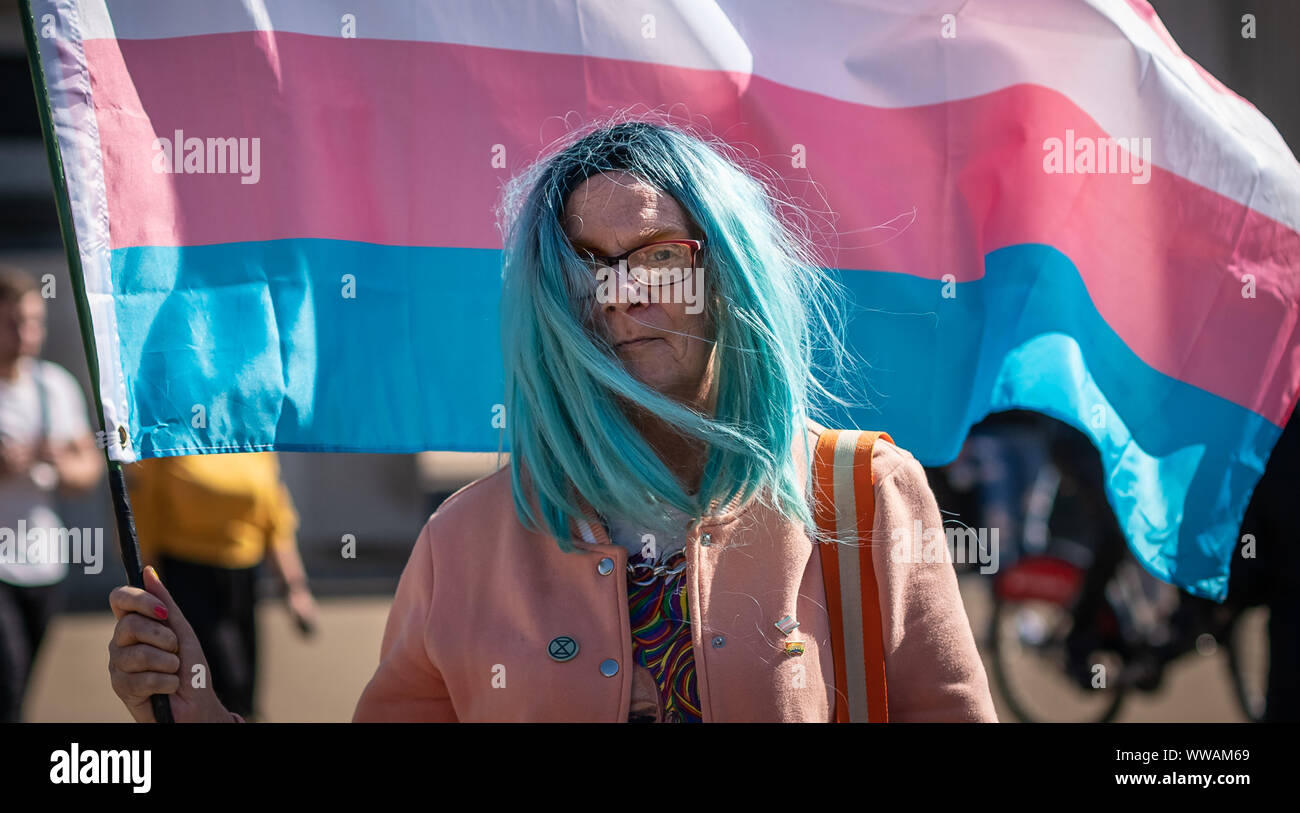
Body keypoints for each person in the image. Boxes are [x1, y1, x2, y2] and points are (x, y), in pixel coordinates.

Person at [106, 117, 998, 722]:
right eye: (584, 270)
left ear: (729, 275)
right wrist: (201, 712)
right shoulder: (465, 539)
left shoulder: (862, 494)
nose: (620, 298)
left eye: (657, 258)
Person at [124, 453, 318, 720]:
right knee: (223, 681)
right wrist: (148, 588)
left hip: (245, 576)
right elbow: (143, 509)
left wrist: (296, 589)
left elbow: (274, 513)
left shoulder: (250, 433)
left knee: (244, 684)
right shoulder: (171, 431)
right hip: (187, 575)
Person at [0, 267, 103, 721]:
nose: (25, 334)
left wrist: (49, 457)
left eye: (33, 321)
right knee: (7, 678)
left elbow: (89, 471)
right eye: (12, 323)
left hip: (43, 560)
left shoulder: (54, 385)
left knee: (21, 688)